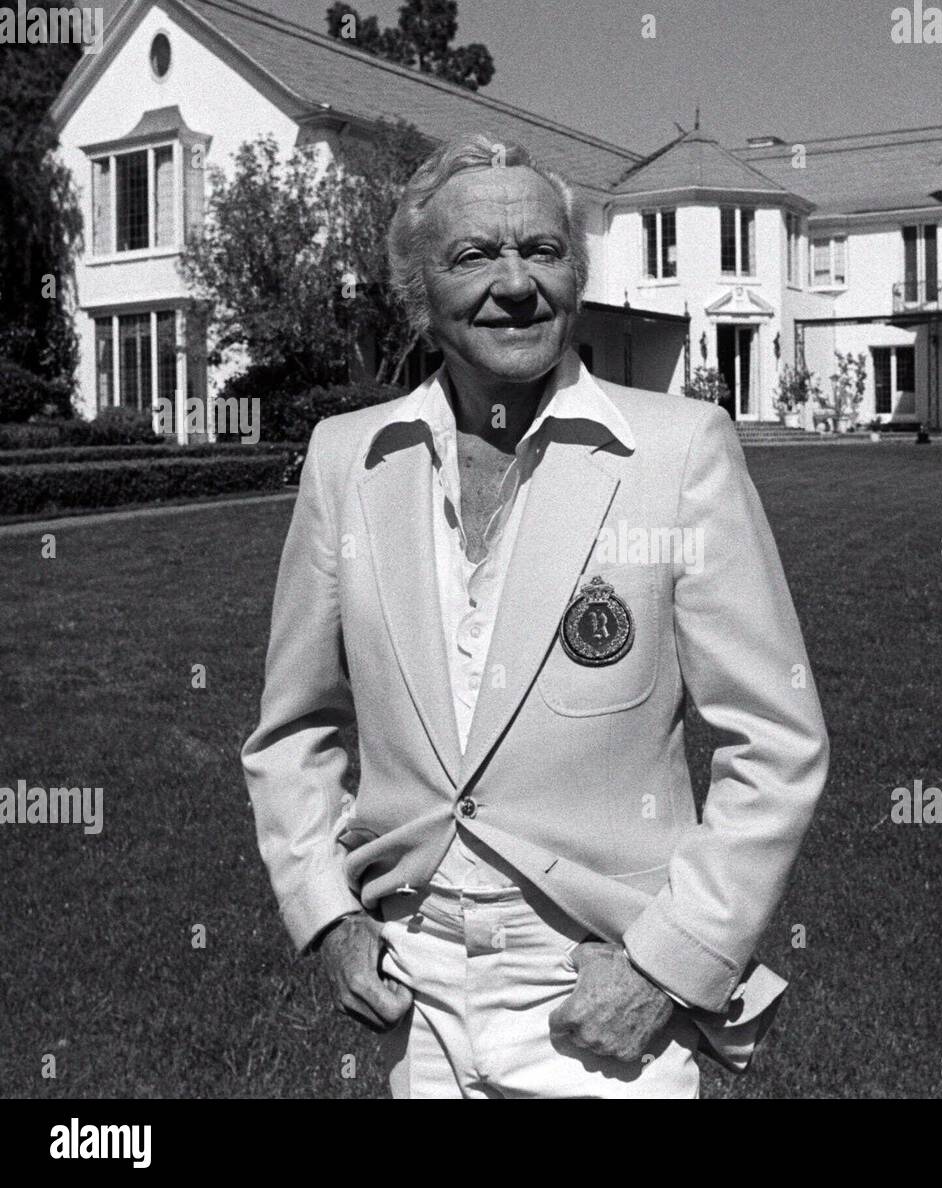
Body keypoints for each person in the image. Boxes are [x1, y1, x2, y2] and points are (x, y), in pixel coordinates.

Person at [241, 132, 830, 1098]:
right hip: (415, 996)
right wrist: (330, 915)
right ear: (417, 293)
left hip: (600, 993)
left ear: (576, 273)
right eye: (474, 255)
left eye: (543, 252)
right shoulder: (349, 460)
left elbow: (777, 739)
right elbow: (292, 729)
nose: (515, 283)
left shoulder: (678, 452)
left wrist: (665, 965)